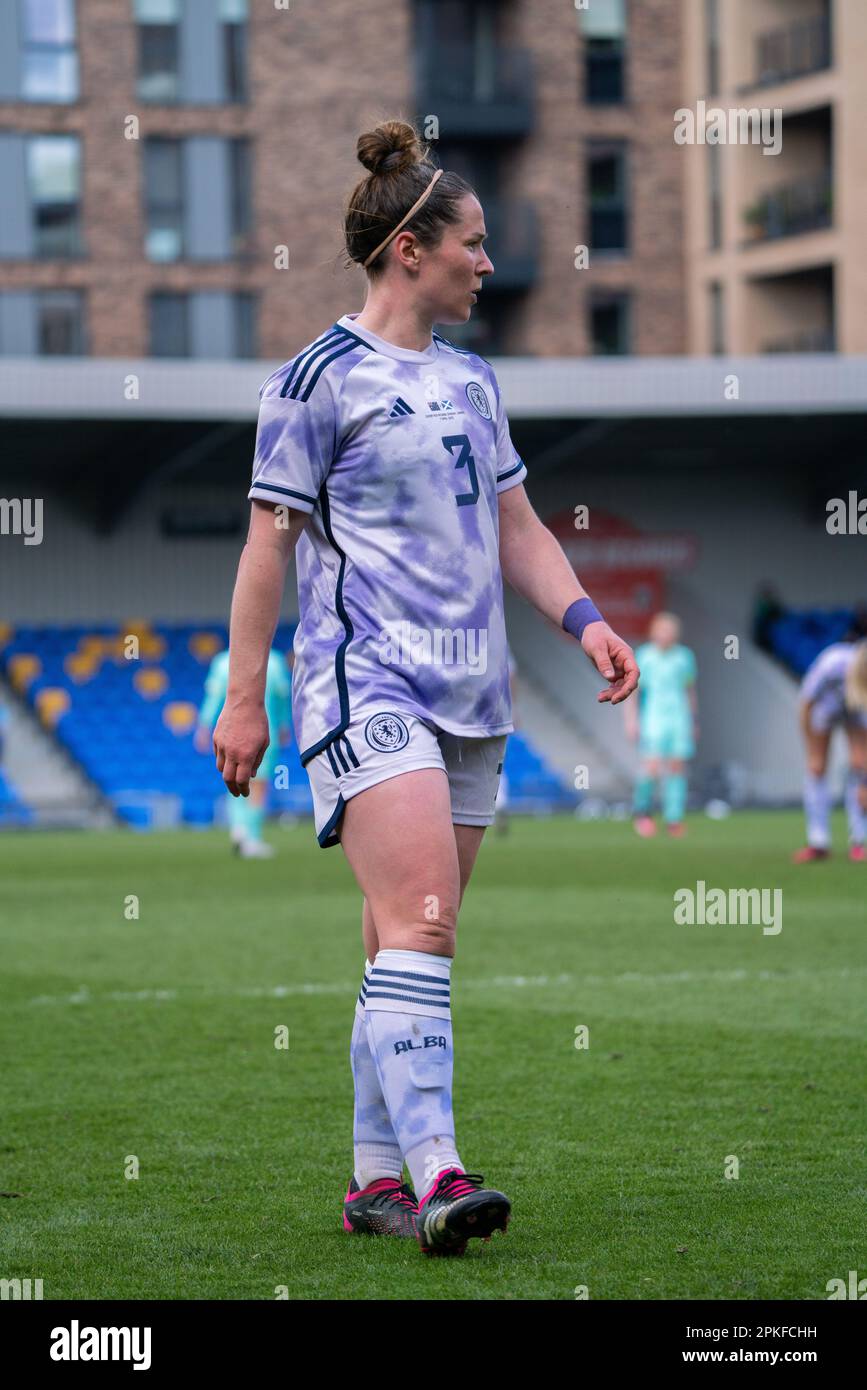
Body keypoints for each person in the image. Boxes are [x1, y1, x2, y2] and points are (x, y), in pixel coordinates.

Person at [212, 120, 639, 1256]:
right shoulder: (313, 381)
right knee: (427, 921)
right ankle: (439, 1173)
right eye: (475, 244)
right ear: (411, 248)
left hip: (476, 694)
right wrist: (245, 696)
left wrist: (585, 617)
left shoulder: (473, 379)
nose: (488, 263)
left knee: (403, 944)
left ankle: (370, 1184)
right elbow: (269, 544)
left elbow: (517, 524)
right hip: (367, 684)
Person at [196, 646, 292, 858]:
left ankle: (238, 829)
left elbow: (212, 698)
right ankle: (252, 837)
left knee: (233, 776)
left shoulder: (222, 662)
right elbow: (282, 698)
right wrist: (285, 725)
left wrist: (203, 727)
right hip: (265, 732)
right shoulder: (273, 660)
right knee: (258, 785)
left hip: (229, 733)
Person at [793, 638, 867, 863]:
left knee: (861, 768)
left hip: (856, 709)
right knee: (816, 768)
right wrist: (810, 747)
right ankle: (818, 842)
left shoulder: (862, 688)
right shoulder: (831, 663)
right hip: (824, 710)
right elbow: (806, 704)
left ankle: (859, 841)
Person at [625, 611, 697, 837]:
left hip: (679, 717)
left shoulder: (684, 657)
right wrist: (631, 720)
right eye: (661, 630)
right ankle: (642, 812)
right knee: (652, 767)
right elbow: (634, 692)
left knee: (677, 766)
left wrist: (694, 720)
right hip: (654, 718)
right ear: (653, 632)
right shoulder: (644, 656)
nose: (665, 635)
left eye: (670, 630)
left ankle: (673, 818)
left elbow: (689, 690)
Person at [493, 645, 518, 835]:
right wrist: (514, 709)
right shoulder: (500, 644)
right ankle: (500, 800)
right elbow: (511, 678)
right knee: (497, 763)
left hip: (476, 715)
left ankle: (497, 800)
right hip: (500, 713)